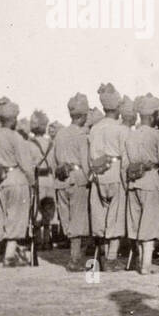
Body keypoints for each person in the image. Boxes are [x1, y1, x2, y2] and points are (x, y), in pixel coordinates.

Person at [0, 97, 37, 266]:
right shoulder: (16, 137)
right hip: (16, 180)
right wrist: (32, 181)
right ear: (13, 119)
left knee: (2, 218)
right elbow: (25, 163)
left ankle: (1, 253)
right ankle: (9, 255)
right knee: (17, 217)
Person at [88, 83, 130, 270]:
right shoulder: (122, 129)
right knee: (116, 215)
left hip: (99, 173)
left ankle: (104, 255)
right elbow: (126, 156)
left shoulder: (95, 128)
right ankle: (111, 258)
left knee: (101, 215)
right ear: (117, 108)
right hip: (116, 171)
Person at [125, 94, 159, 274]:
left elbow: (126, 163)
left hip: (133, 182)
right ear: (153, 115)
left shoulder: (130, 135)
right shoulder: (158, 136)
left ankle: (141, 261)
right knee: (149, 223)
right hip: (151, 181)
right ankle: (146, 265)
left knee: (136, 223)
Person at [52, 94, 93, 270]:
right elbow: (85, 162)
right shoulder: (82, 135)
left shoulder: (60, 134)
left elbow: (54, 160)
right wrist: (90, 177)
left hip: (61, 179)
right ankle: (75, 260)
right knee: (78, 219)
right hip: (77, 178)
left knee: (66, 218)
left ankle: (73, 256)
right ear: (83, 116)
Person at [27, 110, 56, 251]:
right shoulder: (51, 143)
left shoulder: (29, 144)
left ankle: (38, 240)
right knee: (48, 210)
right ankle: (47, 239)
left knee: (36, 210)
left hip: (37, 179)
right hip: (49, 179)